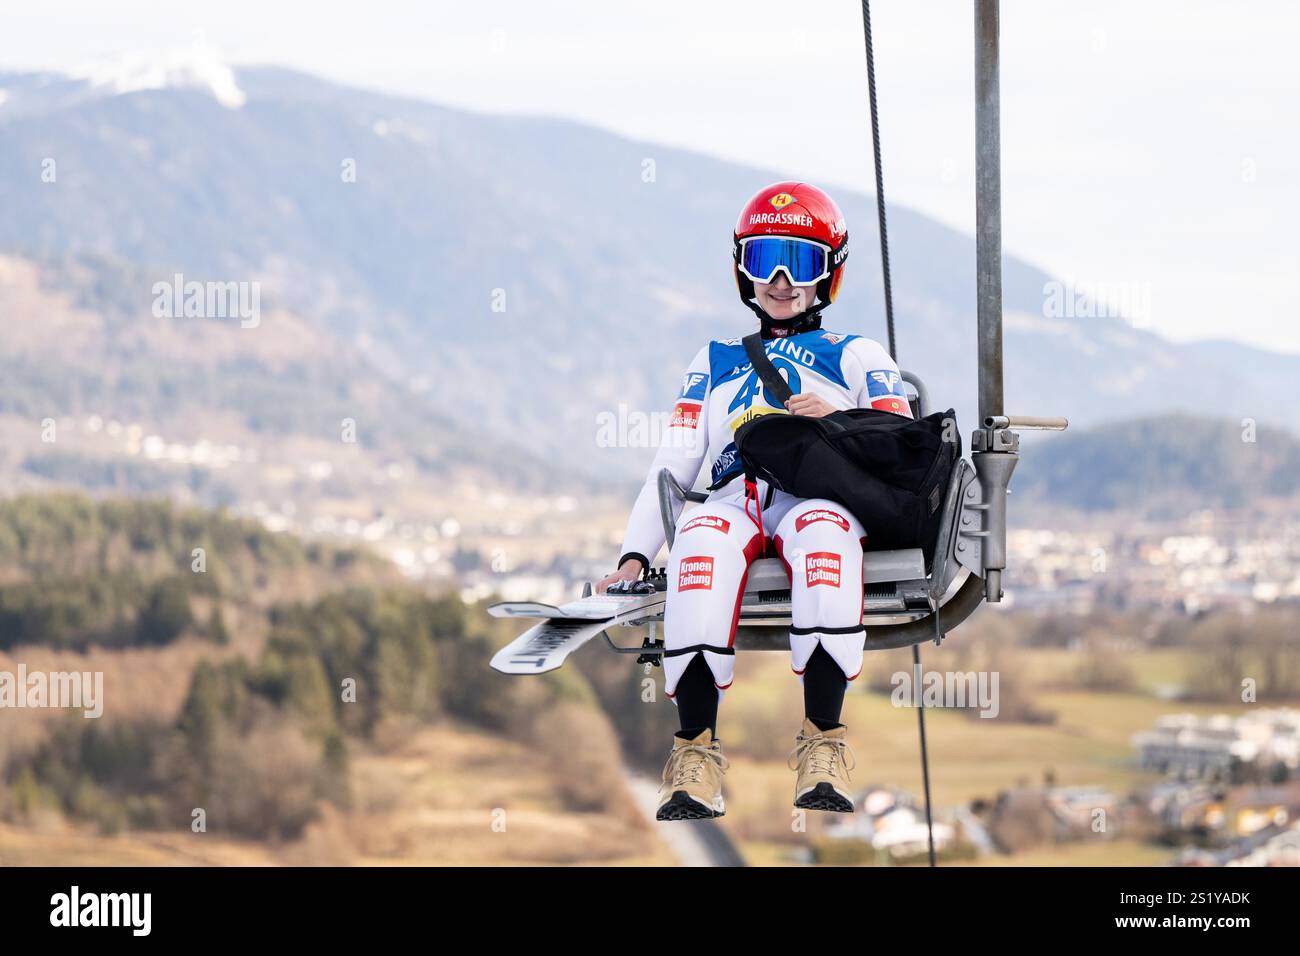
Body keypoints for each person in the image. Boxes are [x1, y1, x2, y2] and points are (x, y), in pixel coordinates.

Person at [596, 182, 913, 821]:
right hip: (735, 500)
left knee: (825, 533)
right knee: (702, 541)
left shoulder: (857, 354)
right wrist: (634, 558)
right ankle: (694, 756)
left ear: (830, 273)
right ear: (742, 266)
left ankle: (823, 740)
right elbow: (673, 460)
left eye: (800, 261)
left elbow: (904, 440)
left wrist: (840, 416)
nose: (780, 280)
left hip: (815, 497)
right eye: (767, 257)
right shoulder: (712, 361)